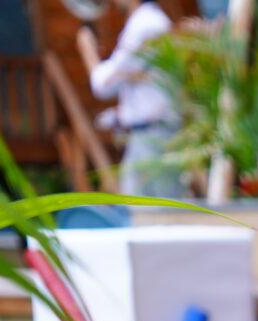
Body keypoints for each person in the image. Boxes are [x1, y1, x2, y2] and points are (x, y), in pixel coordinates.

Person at [75, 0, 182, 198]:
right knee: (148, 213)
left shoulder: (144, 25)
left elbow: (105, 84)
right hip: (152, 135)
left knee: (149, 216)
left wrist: (87, 51)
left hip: (152, 138)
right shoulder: (150, 21)